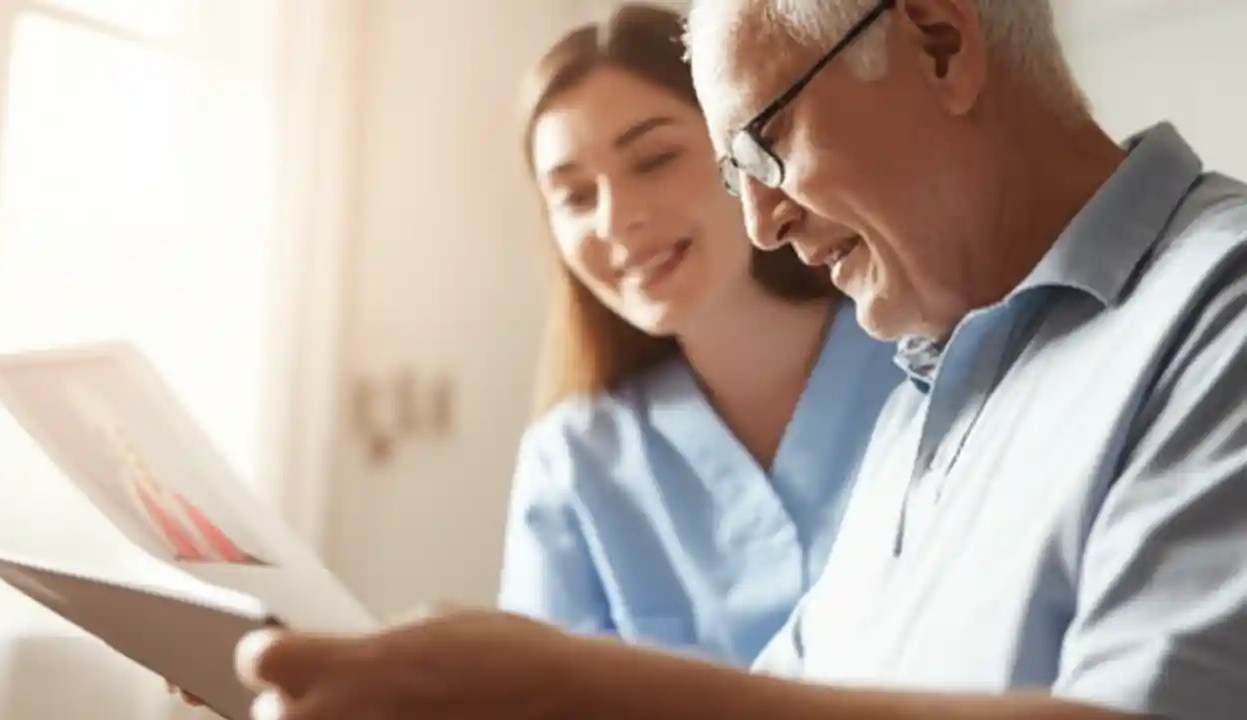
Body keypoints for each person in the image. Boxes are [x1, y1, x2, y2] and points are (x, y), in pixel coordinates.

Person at [234, 1, 1247, 719]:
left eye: (763, 143)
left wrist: (563, 688)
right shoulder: (928, 394)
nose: (758, 224)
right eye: (733, 172)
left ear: (938, 44)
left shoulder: (1215, 315)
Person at [498, 4, 900, 666]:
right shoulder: (571, 463)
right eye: (572, 196)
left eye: (654, 159)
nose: (616, 219)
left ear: (743, 147)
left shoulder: (921, 361)